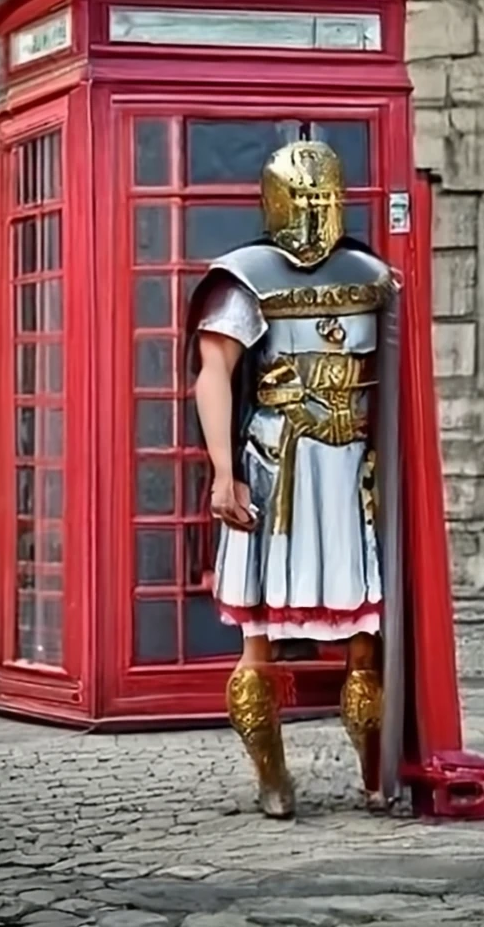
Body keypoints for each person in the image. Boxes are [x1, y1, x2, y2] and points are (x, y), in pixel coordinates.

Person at [185, 140, 402, 818]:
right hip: (277, 469)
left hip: (352, 476)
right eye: (299, 198)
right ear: (276, 200)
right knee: (259, 643)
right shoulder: (244, 278)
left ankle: (375, 776)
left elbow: (401, 386)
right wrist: (223, 473)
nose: (311, 212)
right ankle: (272, 781)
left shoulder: (374, 273)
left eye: (321, 198)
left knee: (365, 647)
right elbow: (213, 374)